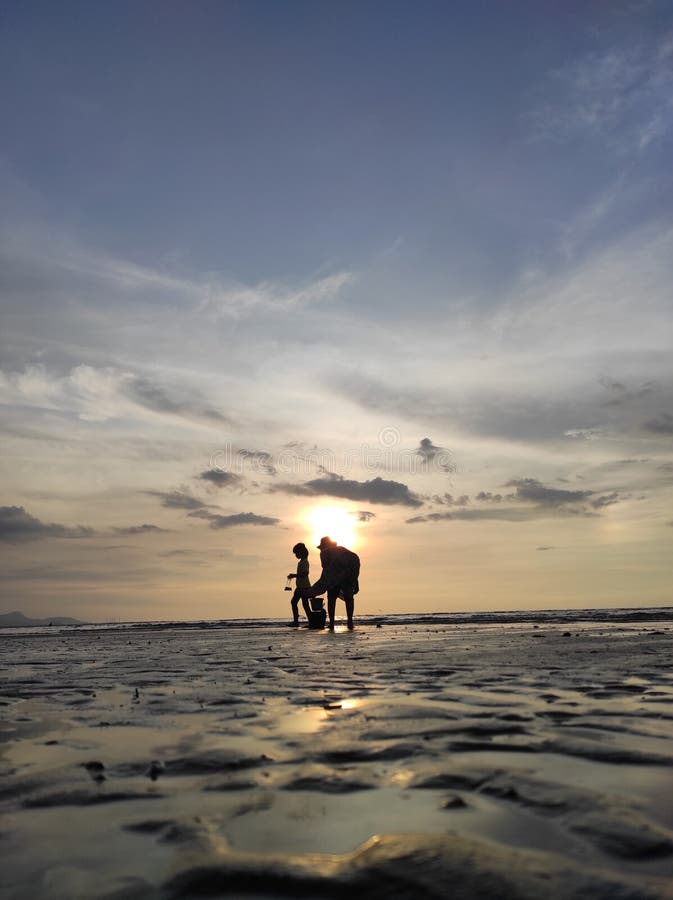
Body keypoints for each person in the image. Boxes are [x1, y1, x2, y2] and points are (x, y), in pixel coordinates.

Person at [309, 536, 360, 630]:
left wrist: (319, 587)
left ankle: (331, 623)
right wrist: (356, 582)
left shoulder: (325, 551)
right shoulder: (342, 549)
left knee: (332, 595)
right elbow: (352, 571)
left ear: (323, 546)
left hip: (338, 566)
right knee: (349, 597)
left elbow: (325, 568)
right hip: (354, 561)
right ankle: (350, 621)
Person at [287, 542, 311, 626]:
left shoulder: (304, 562)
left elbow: (305, 573)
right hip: (303, 586)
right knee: (305, 604)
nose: (296, 555)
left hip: (303, 587)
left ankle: (296, 621)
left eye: (296, 553)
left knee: (294, 602)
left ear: (301, 552)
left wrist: (294, 575)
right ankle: (310, 621)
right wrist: (294, 576)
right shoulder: (302, 562)